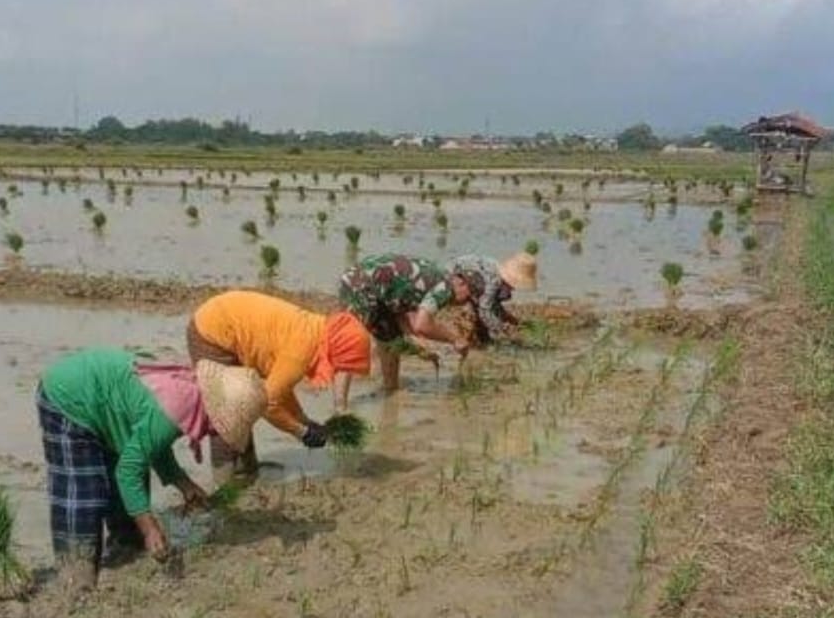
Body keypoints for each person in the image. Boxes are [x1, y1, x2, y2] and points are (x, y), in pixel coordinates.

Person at [37, 347, 267, 589]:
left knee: (128, 475)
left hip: (96, 397)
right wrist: (150, 529)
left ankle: (125, 545)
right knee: (85, 493)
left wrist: (184, 484)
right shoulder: (179, 406)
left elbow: (153, 444)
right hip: (67, 398)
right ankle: (76, 574)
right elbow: (128, 471)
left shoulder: (190, 394)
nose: (215, 434)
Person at [186, 290, 373, 484]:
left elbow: (280, 386)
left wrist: (303, 419)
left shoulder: (317, 331)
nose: (338, 372)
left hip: (225, 319)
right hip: (211, 332)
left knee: (243, 403)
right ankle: (223, 485)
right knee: (228, 413)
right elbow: (267, 404)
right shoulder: (302, 351)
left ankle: (247, 472)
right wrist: (301, 432)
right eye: (342, 365)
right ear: (338, 350)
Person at [338, 251, 537, 394]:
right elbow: (422, 325)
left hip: (383, 292)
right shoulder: (445, 287)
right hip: (361, 283)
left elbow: (408, 321)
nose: (461, 303)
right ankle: (340, 410)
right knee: (351, 343)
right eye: (465, 298)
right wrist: (455, 339)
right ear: (462, 285)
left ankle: (390, 392)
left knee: (391, 341)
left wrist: (422, 351)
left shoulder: (435, 285)